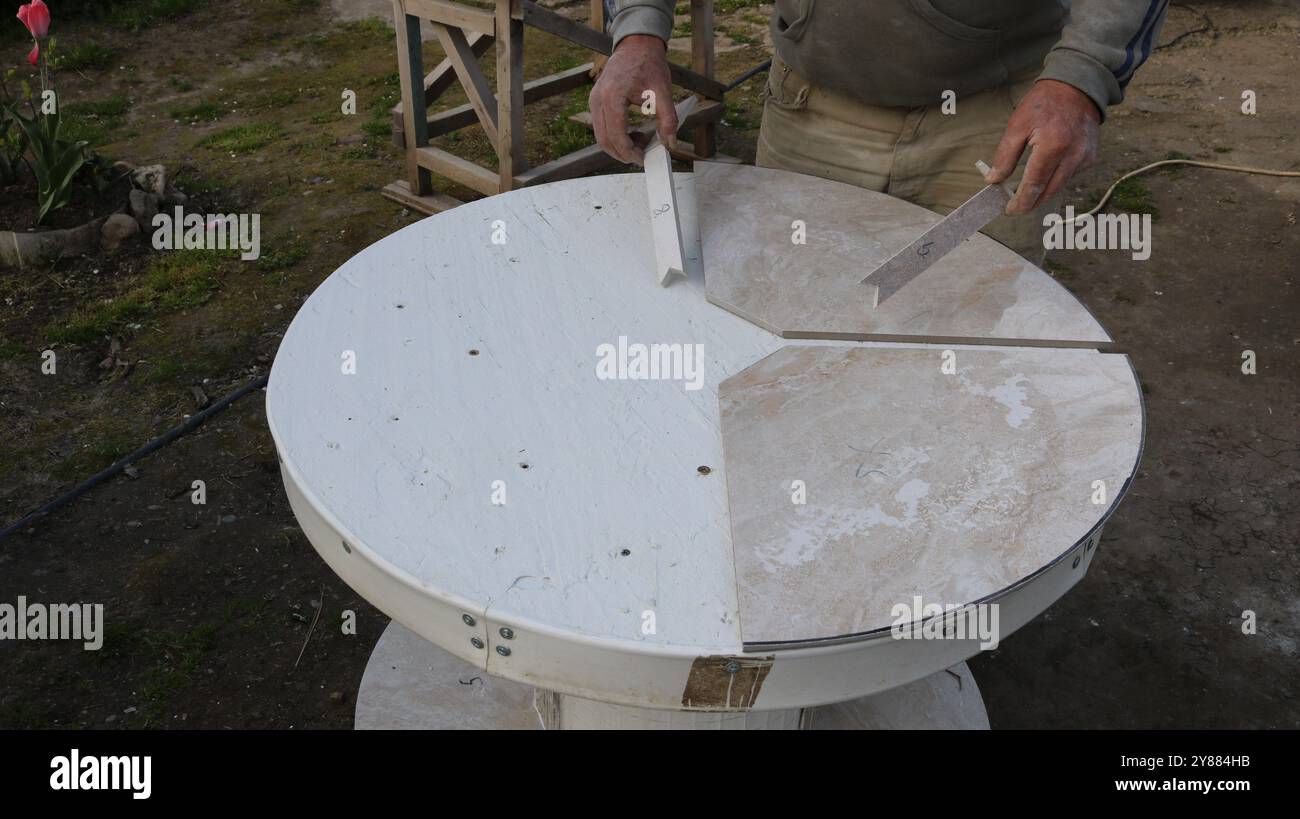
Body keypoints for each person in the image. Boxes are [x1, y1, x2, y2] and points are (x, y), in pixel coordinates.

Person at [589, 0, 1169, 263]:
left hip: (996, 117)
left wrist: (1080, 80)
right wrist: (639, 31)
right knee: (791, 305)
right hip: (812, 109)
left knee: (973, 329)